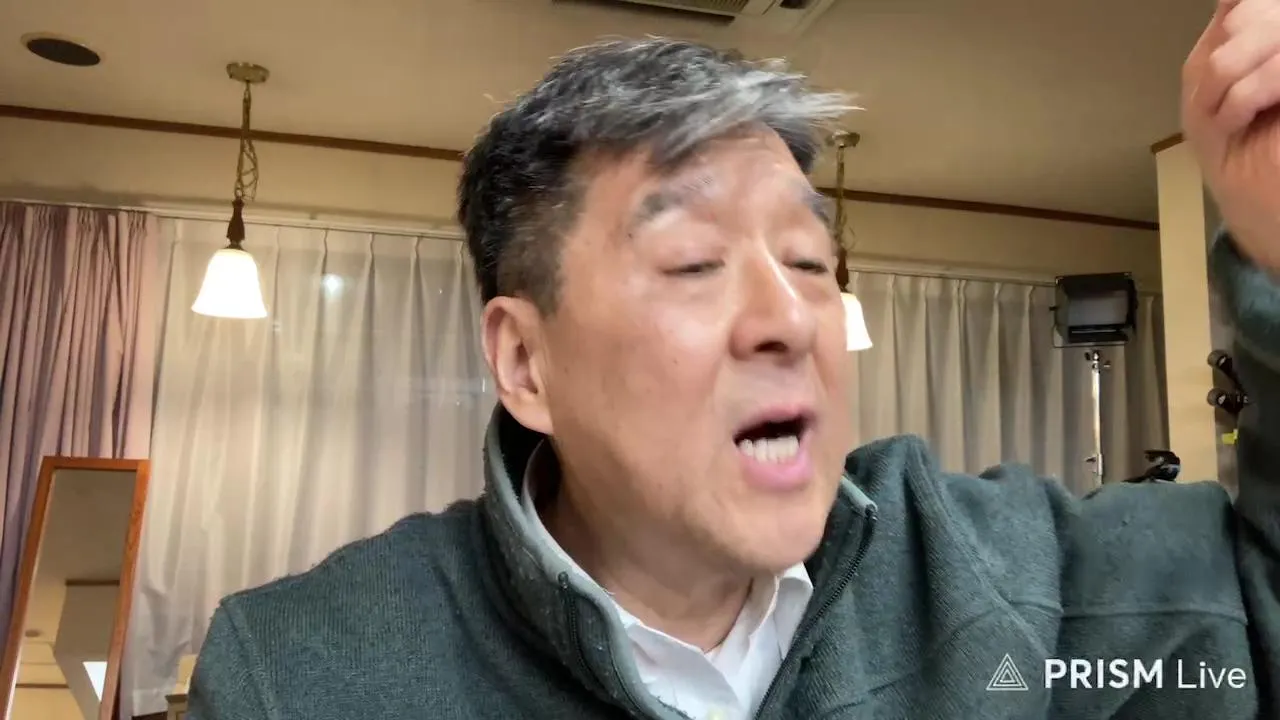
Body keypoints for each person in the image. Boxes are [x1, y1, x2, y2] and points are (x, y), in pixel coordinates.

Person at [186, 2, 1280, 718]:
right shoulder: (303, 671)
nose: (790, 317)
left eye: (808, 260)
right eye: (693, 262)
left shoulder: (1006, 576)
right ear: (524, 362)